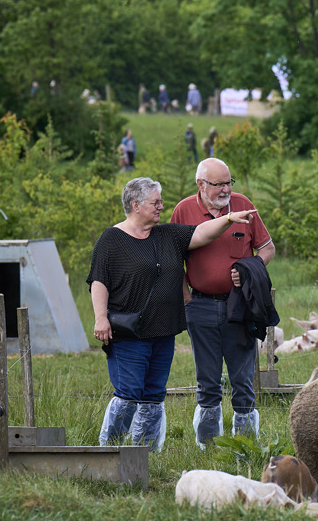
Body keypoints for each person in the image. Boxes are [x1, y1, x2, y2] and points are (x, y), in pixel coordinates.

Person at [88, 177, 256, 452]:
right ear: (136, 205)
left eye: (160, 201)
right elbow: (99, 281)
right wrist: (100, 318)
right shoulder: (112, 239)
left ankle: (145, 452)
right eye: (155, 202)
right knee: (129, 392)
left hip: (163, 330)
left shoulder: (167, 235)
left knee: (154, 394)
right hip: (129, 332)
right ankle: (110, 451)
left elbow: (202, 233)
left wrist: (228, 220)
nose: (161, 207)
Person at [170, 158, 275, 448]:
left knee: (242, 378)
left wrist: (251, 270)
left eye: (229, 182)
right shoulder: (184, 210)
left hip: (240, 305)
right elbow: (171, 257)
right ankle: (209, 445)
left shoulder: (243, 204)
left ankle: (244, 444)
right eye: (219, 184)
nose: (226, 189)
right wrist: (185, 296)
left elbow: (267, 248)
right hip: (200, 305)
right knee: (208, 379)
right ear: (200, 185)